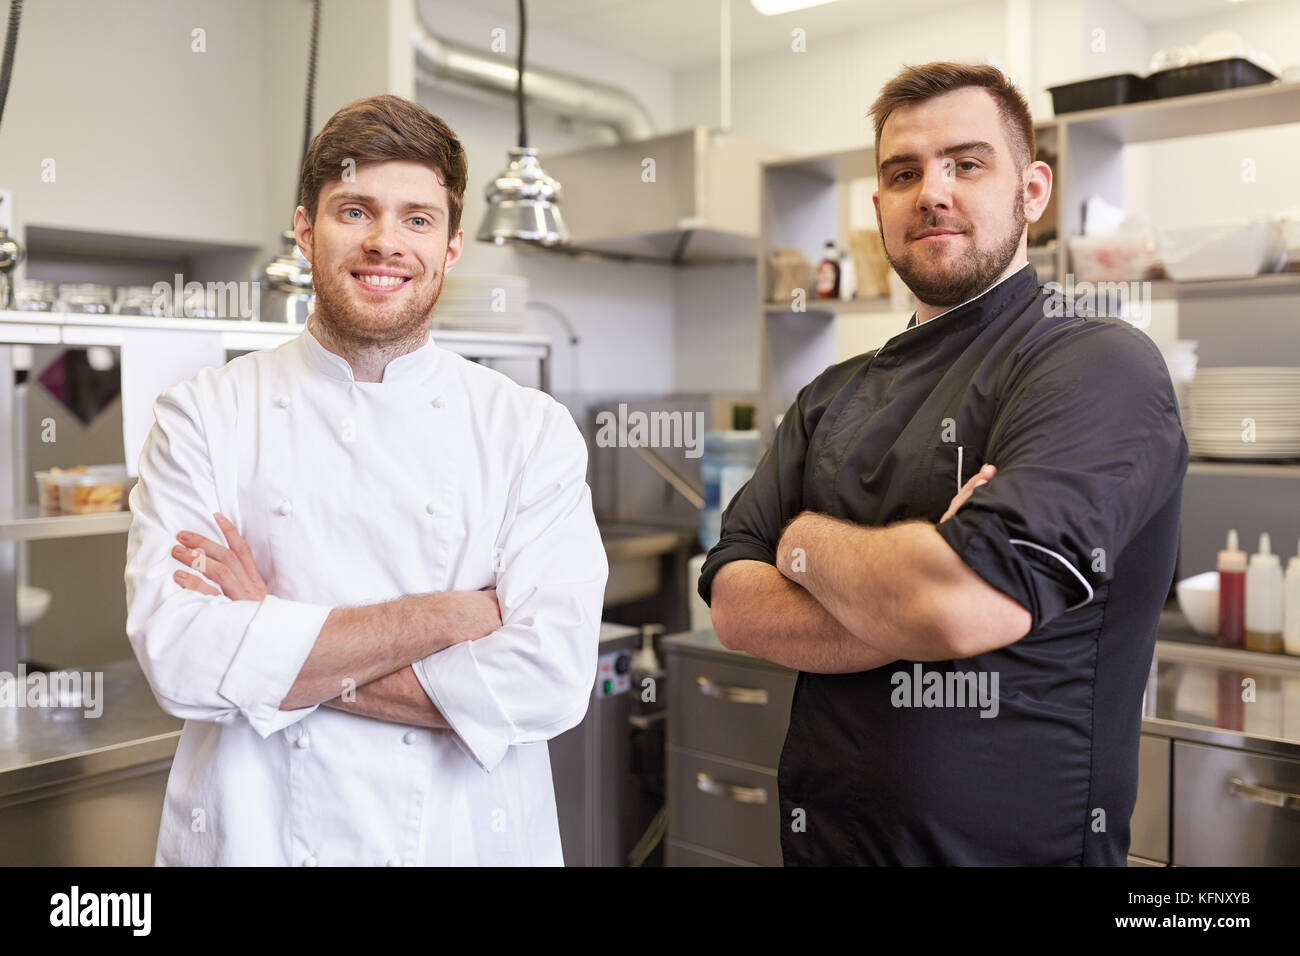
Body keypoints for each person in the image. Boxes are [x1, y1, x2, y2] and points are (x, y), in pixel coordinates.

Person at [698, 62, 1188, 865]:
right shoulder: (829, 394)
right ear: (880, 207)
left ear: (1032, 191)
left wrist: (804, 545)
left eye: (966, 163)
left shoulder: (1096, 363)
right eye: (903, 172)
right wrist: (908, 589)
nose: (932, 191)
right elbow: (733, 604)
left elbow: (961, 606)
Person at [124, 94, 607, 866]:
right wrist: (446, 617)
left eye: (417, 219)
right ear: (306, 230)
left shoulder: (528, 430)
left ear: (451, 248)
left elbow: (546, 683)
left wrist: (269, 628)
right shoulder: (204, 415)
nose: (386, 243)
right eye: (356, 211)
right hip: (257, 838)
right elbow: (183, 659)